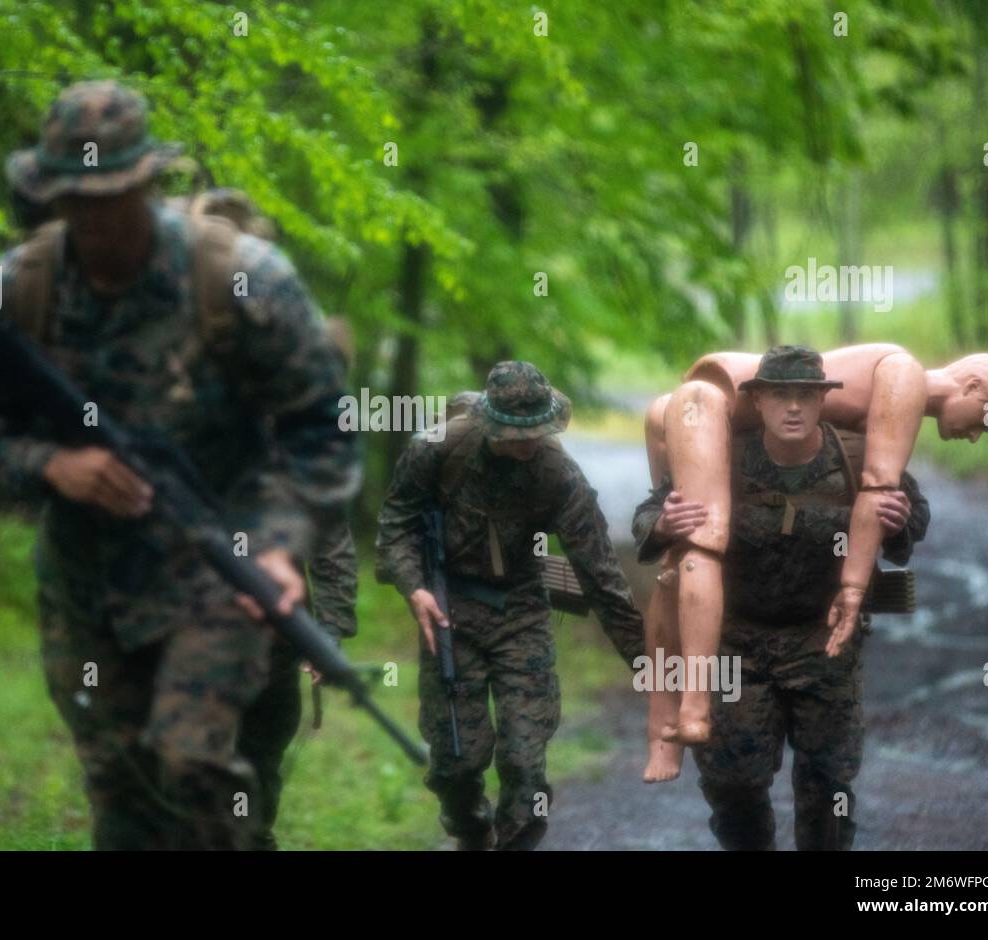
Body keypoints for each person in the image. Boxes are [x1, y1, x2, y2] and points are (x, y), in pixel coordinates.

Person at [0, 80, 358, 849]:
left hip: (219, 575)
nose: (97, 217)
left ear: (147, 180)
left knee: (194, 771)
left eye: (113, 195)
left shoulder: (242, 279)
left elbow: (321, 429)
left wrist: (277, 543)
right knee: (122, 806)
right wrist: (50, 466)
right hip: (90, 593)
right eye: (76, 198)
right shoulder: (18, 291)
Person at [641, 343, 988, 776]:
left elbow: (888, 499)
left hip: (693, 403)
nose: (977, 433)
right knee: (700, 539)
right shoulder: (905, 375)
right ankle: (687, 709)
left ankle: (668, 733)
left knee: (680, 558)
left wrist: (892, 533)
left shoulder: (863, 408)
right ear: (971, 385)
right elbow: (878, 485)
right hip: (709, 399)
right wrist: (853, 588)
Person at [633, 345, 930, 848]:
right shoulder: (722, 455)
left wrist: (900, 524)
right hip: (736, 643)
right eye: (779, 396)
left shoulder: (855, 454)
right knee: (731, 780)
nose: (793, 407)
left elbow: (910, 521)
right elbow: (651, 511)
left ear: (822, 402)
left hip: (824, 643)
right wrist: (661, 525)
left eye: (805, 396)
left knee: (828, 781)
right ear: (759, 403)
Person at [376, 360, 645, 850]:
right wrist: (414, 586)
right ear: (487, 423)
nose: (527, 443)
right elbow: (396, 523)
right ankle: (473, 832)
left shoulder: (559, 475)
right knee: (455, 762)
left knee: (524, 759)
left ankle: (516, 841)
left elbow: (601, 576)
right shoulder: (437, 449)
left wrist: (649, 665)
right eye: (514, 434)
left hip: (521, 612)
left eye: (536, 432)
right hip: (447, 609)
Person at [237, 317, 360, 851]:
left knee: (262, 748)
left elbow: (331, 542)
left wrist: (326, 633)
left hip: (277, 631)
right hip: (192, 620)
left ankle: (253, 837)